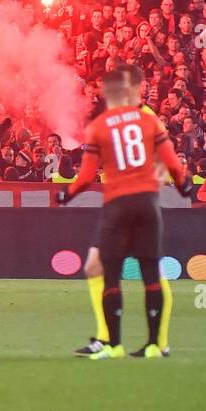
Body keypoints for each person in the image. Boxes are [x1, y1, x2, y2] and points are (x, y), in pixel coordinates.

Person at [57, 64, 192, 359]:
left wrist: (66, 194)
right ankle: (113, 339)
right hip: (141, 202)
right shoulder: (141, 119)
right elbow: (168, 160)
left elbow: (159, 161)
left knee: (130, 271)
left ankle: (150, 341)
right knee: (99, 267)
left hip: (122, 201)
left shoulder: (141, 118)